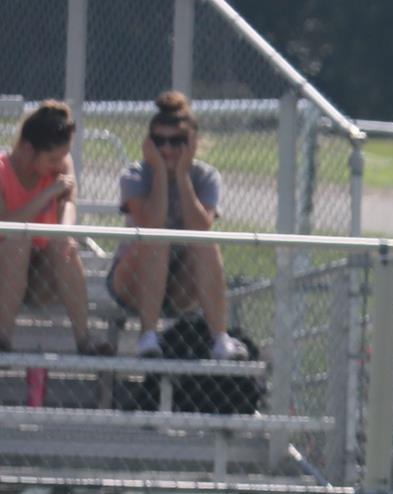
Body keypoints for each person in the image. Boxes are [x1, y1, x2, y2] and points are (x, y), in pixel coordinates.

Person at [107, 91, 248, 360]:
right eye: (160, 141)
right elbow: (151, 223)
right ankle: (147, 336)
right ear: (149, 143)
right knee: (158, 238)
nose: (168, 149)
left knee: (206, 241)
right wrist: (160, 171)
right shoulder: (135, 175)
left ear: (192, 142)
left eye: (177, 141)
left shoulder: (205, 176)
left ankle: (220, 338)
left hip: (181, 285)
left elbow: (200, 226)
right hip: (132, 280)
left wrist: (182, 174)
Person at [0, 101, 103, 355]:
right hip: (5, 270)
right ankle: (2, 338)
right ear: (27, 148)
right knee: (18, 240)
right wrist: (47, 194)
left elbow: (69, 203)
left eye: (62, 157)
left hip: (40, 280)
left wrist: (65, 232)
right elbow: (7, 225)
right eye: (52, 159)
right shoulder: (3, 170)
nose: (59, 165)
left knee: (63, 244)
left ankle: (84, 339)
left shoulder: (61, 164)